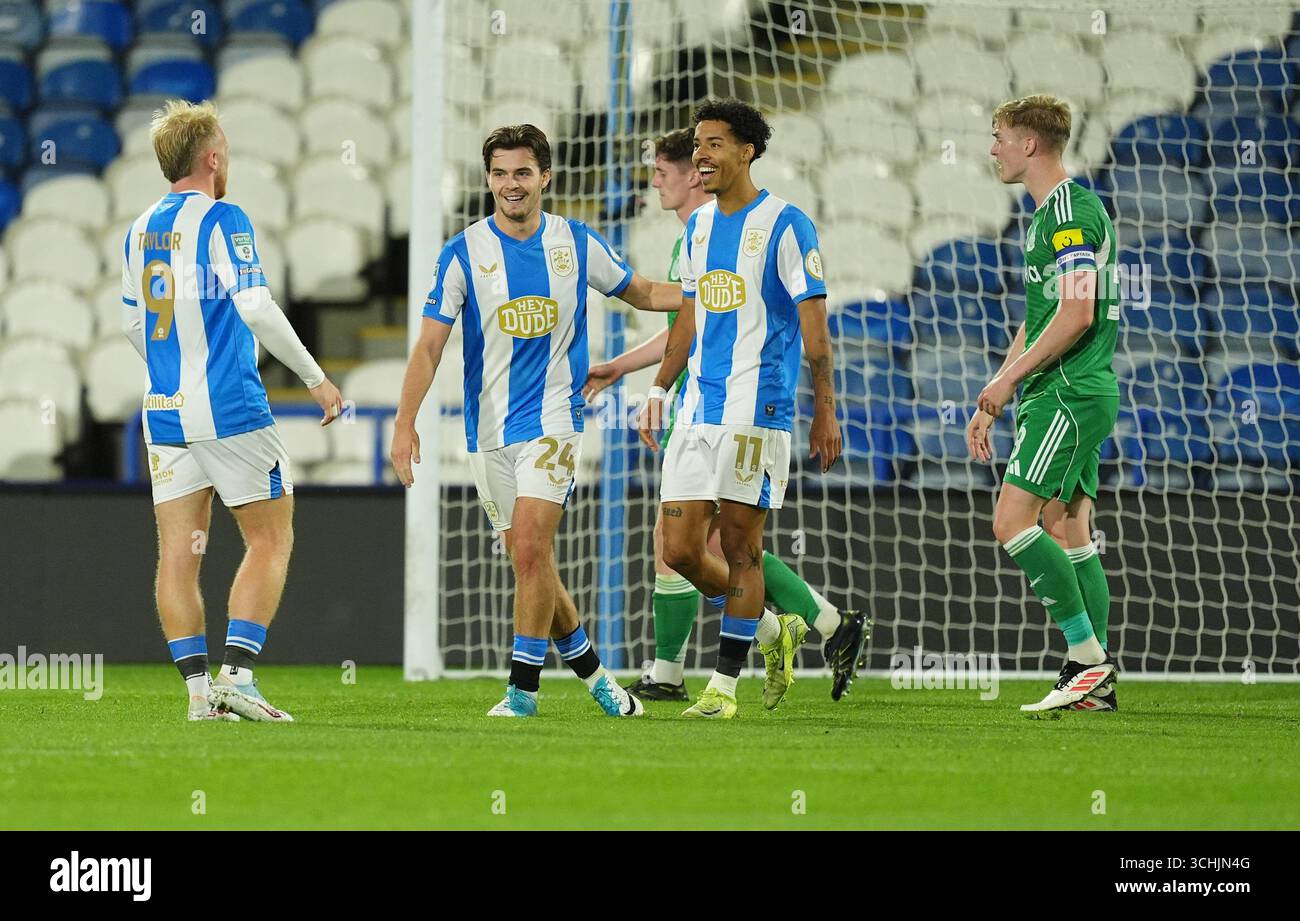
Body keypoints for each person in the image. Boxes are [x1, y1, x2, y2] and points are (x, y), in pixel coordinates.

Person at [390, 124, 681, 718]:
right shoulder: (463, 252)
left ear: (545, 176)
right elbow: (427, 348)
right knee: (534, 563)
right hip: (486, 433)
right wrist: (405, 422)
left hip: (554, 419)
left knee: (529, 547)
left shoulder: (575, 243)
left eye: (522, 172)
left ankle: (522, 692)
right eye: (499, 173)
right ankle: (599, 679)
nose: (510, 185)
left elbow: (644, 292)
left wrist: (716, 292)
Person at [585, 127, 868, 706]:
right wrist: (659, 387)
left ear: (748, 151)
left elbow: (816, 332)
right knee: (680, 549)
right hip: (694, 411)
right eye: (697, 147)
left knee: (740, 547)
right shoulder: (698, 229)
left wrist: (825, 411)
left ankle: (719, 685)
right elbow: (685, 321)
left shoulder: (787, 224)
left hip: (755, 410)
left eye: (713, 145)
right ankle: (783, 627)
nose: (700, 157)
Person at [121, 99, 344, 723]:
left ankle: (199, 699)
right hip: (228, 408)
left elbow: (134, 325)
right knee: (271, 537)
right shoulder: (224, 218)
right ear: (213, 158)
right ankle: (237, 679)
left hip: (164, 411)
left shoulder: (139, 229)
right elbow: (256, 307)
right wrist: (317, 378)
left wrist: (175, 371)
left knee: (178, 557)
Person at [971, 94, 1120, 715]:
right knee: (1068, 528)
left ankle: (1086, 661)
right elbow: (1038, 321)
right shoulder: (1048, 216)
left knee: (1013, 522)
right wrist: (996, 391)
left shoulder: (1068, 213)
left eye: (999, 135)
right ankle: (1097, 682)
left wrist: (1012, 383)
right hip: (1061, 389)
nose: (993, 147)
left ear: (1030, 144)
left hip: (1069, 392)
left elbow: (1077, 313)